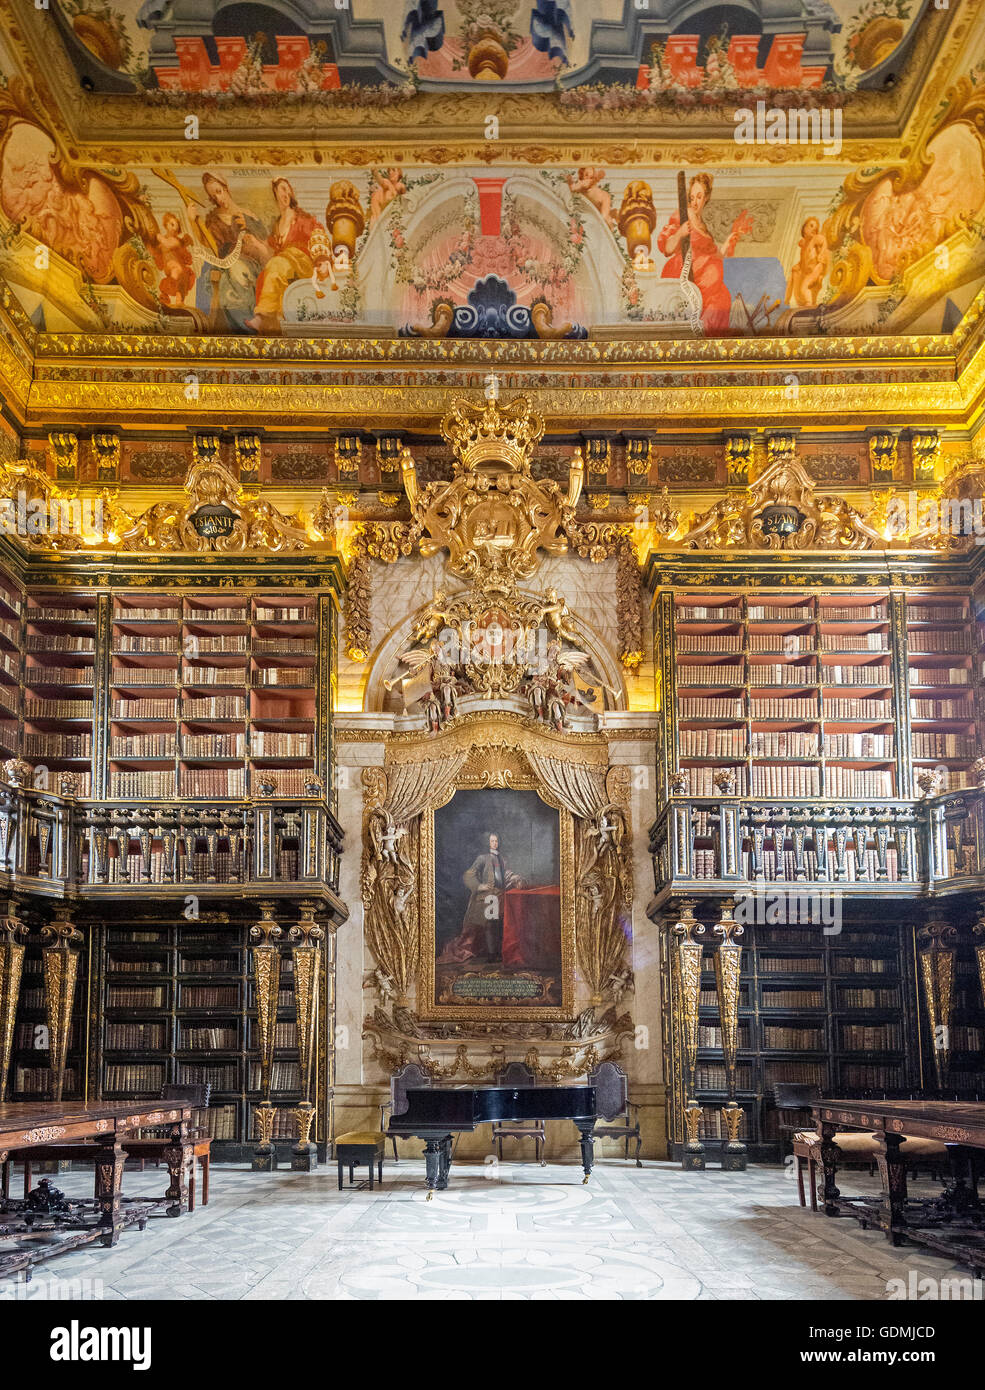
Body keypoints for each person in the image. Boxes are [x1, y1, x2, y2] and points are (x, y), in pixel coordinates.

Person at [657, 172, 752, 333]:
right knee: (714, 273)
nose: (694, 202)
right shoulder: (683, 214)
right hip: (686, 270)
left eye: (699, 197)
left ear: (706, 198)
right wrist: (680, 233)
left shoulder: (704, 226)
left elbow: (716, 256)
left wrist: (730, 239)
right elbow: (667, 248)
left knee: (723, 297)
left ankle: (706, 335)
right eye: (692, 197)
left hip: (706, 275)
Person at [246, 178, 326, 334]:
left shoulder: (302, 219)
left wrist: (322, 259)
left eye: (288, 189)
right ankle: (277, 322)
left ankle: (262, 316)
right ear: (275, 194)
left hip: (302, 262)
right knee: (267, 274)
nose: (286, 193)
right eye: (282, 189)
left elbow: (318, 235)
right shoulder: (276, 225)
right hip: (285, 266)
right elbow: (271, 256)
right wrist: (256, 244)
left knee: (276, 265)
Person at [438, 831, 527, 964]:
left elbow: (505, 875)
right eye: (492, 841)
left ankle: (498, 952)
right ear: (488, 843)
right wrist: (479, 886)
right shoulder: (482, 858)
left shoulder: (502, 859)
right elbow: (469, 875)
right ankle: (492, 955)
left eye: (496, 841)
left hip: (500, 896)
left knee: (499, 924)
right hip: (488, 897)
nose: (494, 843)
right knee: (490, 924)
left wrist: (515, 878)